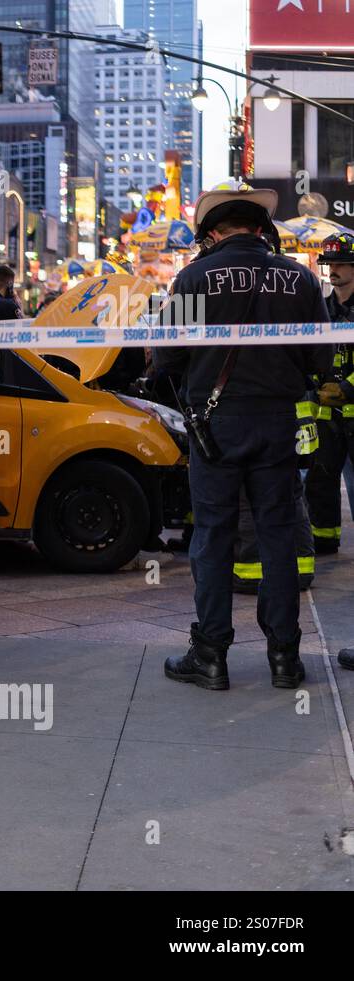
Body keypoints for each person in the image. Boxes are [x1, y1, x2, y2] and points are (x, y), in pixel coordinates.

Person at [155, 181, 332, 692]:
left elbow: (167, 358)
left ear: (211, 234)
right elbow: (320, 359)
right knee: (278, 535)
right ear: (263, 231)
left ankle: (210, 655)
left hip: (216, 426)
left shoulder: (192, 279)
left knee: (213, 536)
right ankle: (285, 658)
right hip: (279, 423)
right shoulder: (299, 279)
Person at [302, 232, 354, 554]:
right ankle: (323, 541)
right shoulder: (320, 309)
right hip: (325, 415)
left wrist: (347, 388)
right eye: (328, 263)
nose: (332, 268)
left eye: (339, 263)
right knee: (320, 482)